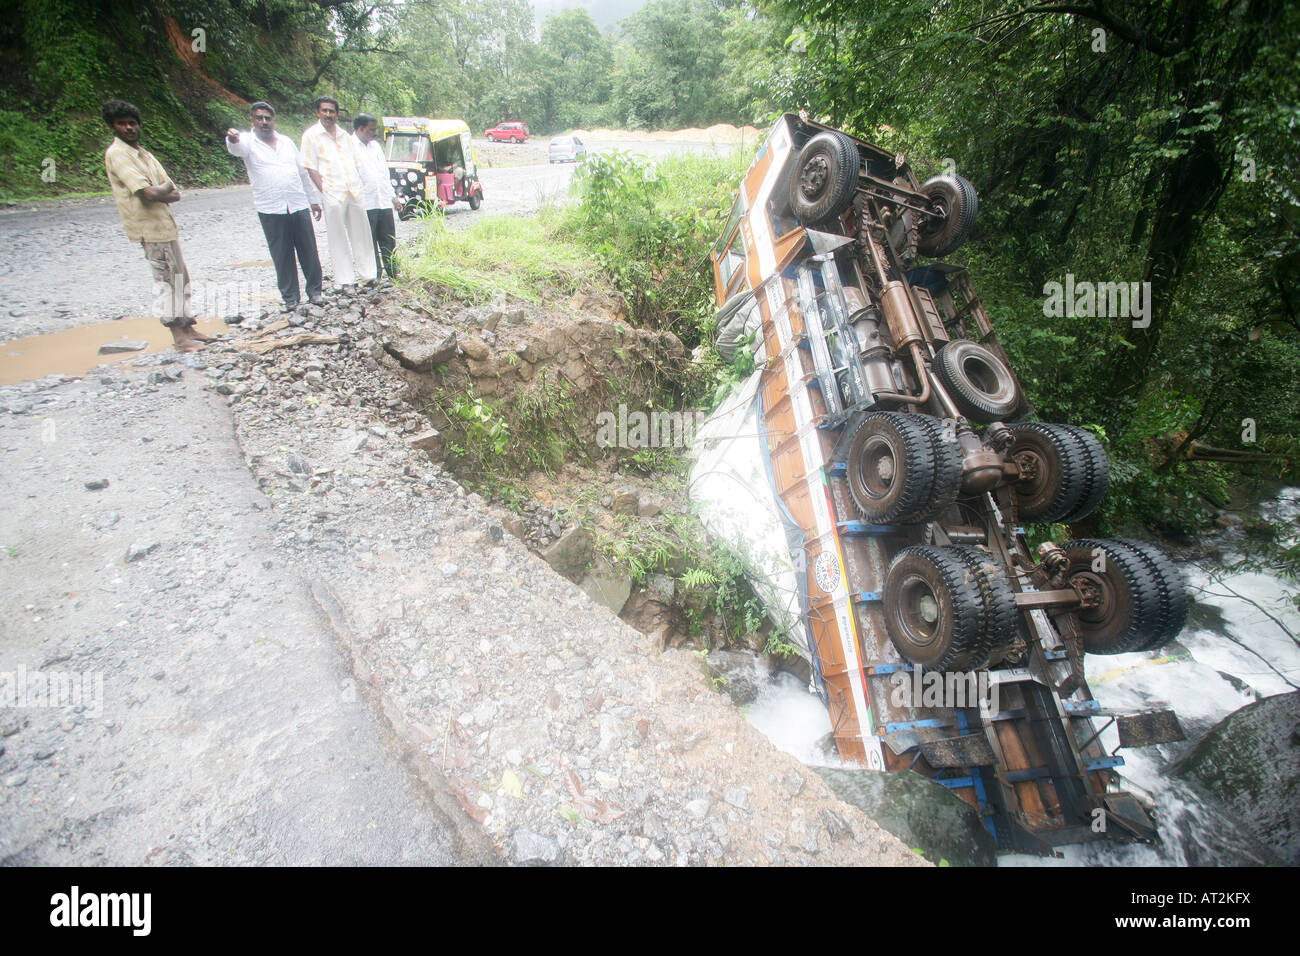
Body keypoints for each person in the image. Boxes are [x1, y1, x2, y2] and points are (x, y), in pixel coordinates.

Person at [102, 99, 214, 351]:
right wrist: (158, 190)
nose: (129, 128)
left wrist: (159, 190)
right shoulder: (118, 154)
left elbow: (172, 191)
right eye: (122, 124)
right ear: (113, 127)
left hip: (165, 226)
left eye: (132, 123)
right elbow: (148, 193)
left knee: (180, 278)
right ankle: (179, 337)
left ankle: (188, 326)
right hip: (149, 228)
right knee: (166, 280)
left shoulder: (144, 154)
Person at [226, 101, 325, 311]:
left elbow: (302, 173)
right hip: (271, 208)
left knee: (308, 249)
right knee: (282, 253)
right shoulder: (247, 141)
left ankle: (315, 292)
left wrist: (313, 200)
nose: (264, 122)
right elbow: (236, 147)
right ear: (252, 120)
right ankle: (290, 298)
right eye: (259, 118)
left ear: (274, 120)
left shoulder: (286, 142)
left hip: (297, 204)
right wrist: (232, 138)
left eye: (267, 118)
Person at [299, 95, 376, 290]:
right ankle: (344, 280)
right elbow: (310, 167)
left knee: (362, 232)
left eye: (331, 111)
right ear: (318, 112)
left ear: (337, 114)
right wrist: (323, 189)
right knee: (337, 236)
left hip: (353, 189)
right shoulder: (311, 136)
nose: (328, 114)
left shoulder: (344, 136)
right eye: (324, 110)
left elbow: (356, 163)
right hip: (332, 190)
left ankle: (368, 274)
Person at [351, 113, 402, 280]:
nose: (374, 132)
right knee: (369, 242)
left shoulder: (376, 147)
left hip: (383, 201)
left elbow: (384, 174)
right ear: (360, 128)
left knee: (388, 239)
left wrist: (393, 197)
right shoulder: (349, 147)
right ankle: (375, 275)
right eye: (371, 129)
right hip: (365, 203)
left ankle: (393, 272)